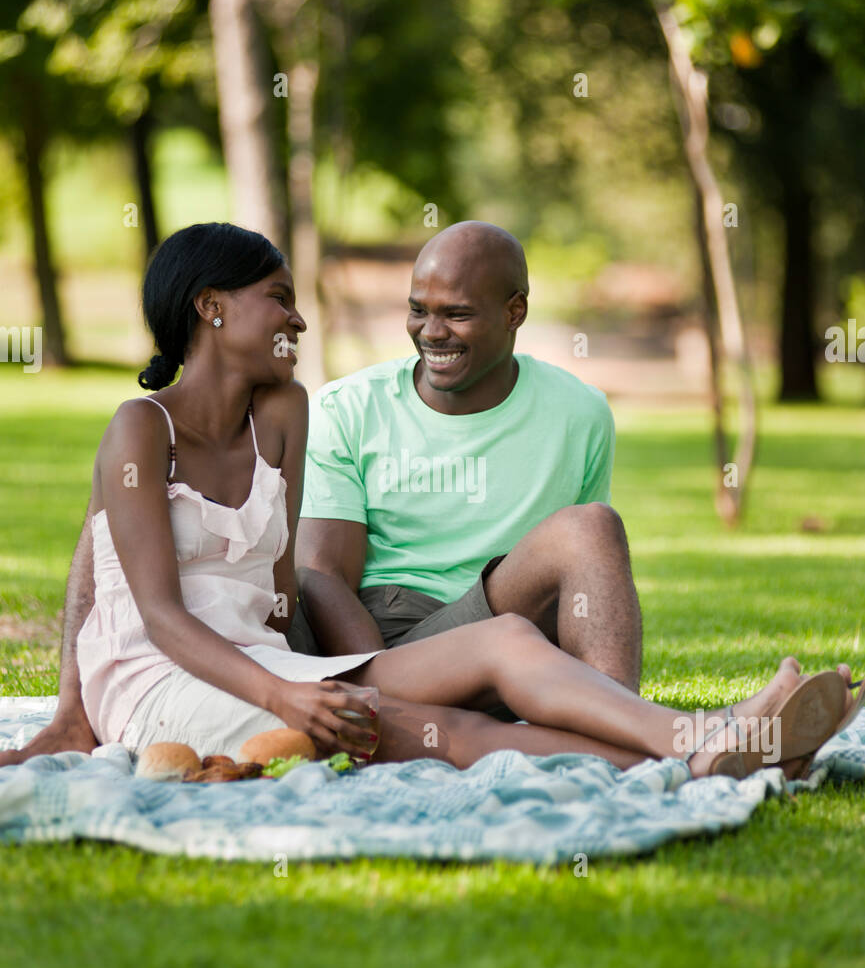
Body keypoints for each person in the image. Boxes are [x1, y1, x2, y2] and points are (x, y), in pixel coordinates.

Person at [0, 223, 852, 777]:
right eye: (279, 301)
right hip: (167, 675)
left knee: (509, 640)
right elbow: (147, 604)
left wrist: (316, 673)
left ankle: (700, 735)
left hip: (275, 660)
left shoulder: (285, 413)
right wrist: (87, 712)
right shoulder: (139, 430)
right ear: (211, 309)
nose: (297, 320)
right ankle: (694, 755)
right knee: (438, 734)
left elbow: (285, 588)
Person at [296, 221, 643, 707]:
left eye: (457, 314)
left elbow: (584, 574)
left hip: (509, 624)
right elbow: (321, 572)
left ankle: (619, 718)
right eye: (418, 310)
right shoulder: (346, 408)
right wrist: (382, 693)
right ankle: (630, 732)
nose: (432, 333)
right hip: (390, 641)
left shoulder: (580, 412)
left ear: (514, 312)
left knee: (592, 527)